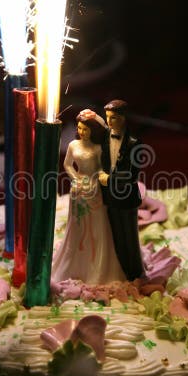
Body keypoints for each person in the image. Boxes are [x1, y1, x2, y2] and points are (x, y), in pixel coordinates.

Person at [51, 109, 126, 285]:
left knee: (97, 225)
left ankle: (97, 265)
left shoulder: (99, 148)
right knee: (77, 225)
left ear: (93, 130)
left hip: (95, 189)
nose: (82, 132)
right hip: (78, 189)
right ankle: (74, 263)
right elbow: (67, 164)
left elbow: (102, 168)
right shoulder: (73, 145)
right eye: (79, 128)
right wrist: (76, 178)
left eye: (85, 129)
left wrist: (100, 178)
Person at [99, 99, 144, 280]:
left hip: (126, 198)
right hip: (109, 197)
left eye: (114, 118)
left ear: (124, 118)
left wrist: (109, 179)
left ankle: (135, 274)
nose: (109, 122)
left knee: (129, 238)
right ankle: (120, 272)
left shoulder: (135, 143)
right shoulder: (104, 138)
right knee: (116, 237)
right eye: (108, 117)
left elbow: (132, 175)